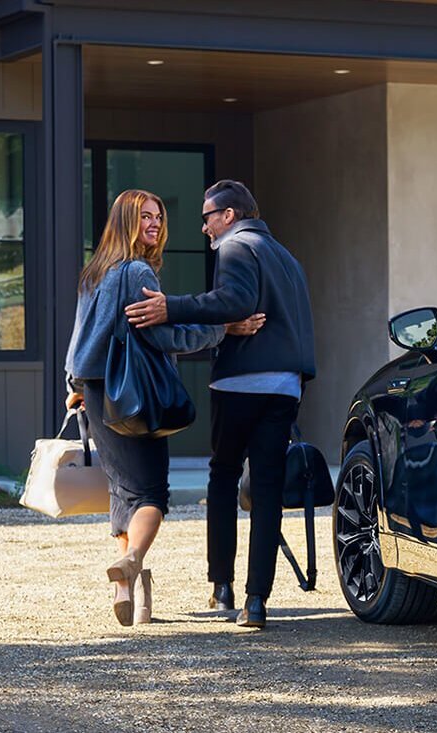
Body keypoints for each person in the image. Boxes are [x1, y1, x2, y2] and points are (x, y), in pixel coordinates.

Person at [65, 189, 264, 627]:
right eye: (145, 217)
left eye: (158, 217)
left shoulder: (93, 273)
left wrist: (74, 386)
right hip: (134, 393)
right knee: (152, 493)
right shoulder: (137, 271)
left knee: (123, 492)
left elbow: (78, 341)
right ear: (125, 221)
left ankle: (130, 591)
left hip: (94, 393)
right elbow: (163, 336)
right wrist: (223, 329)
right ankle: (132, 558)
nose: (155, 224)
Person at [124, 180, 317, 629]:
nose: (205, 229)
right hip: (285, 386)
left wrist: (170, 307)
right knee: (267, 489)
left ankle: (222, 586)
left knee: (224, 476)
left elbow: (233, 301)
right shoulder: (288, 259)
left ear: (229, 215)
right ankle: (256, 603)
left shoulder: (235, 247)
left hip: (240, 382)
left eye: (208, 217)